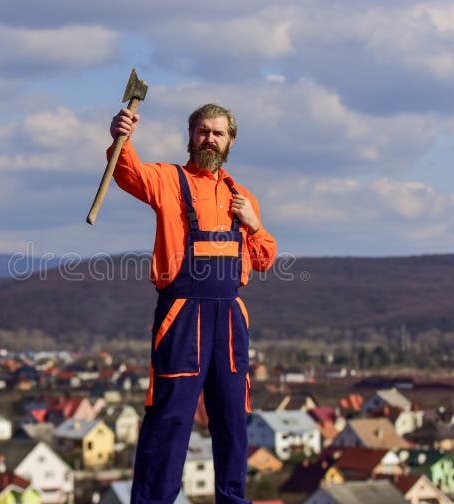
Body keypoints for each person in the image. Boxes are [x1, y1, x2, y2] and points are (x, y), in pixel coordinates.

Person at [109, 103, 277, 503]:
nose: (210, 139)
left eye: (218, 133)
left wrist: (254, 224)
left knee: (233, 418)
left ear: (231, 140)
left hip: (230, 318)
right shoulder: (168, 180)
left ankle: (233, 499)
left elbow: (265, 259)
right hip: (182, 314)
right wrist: (122, 135)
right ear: (190, 135)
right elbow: (127, 172)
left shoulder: (243, 197)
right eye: (203, 131)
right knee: (170, 415)